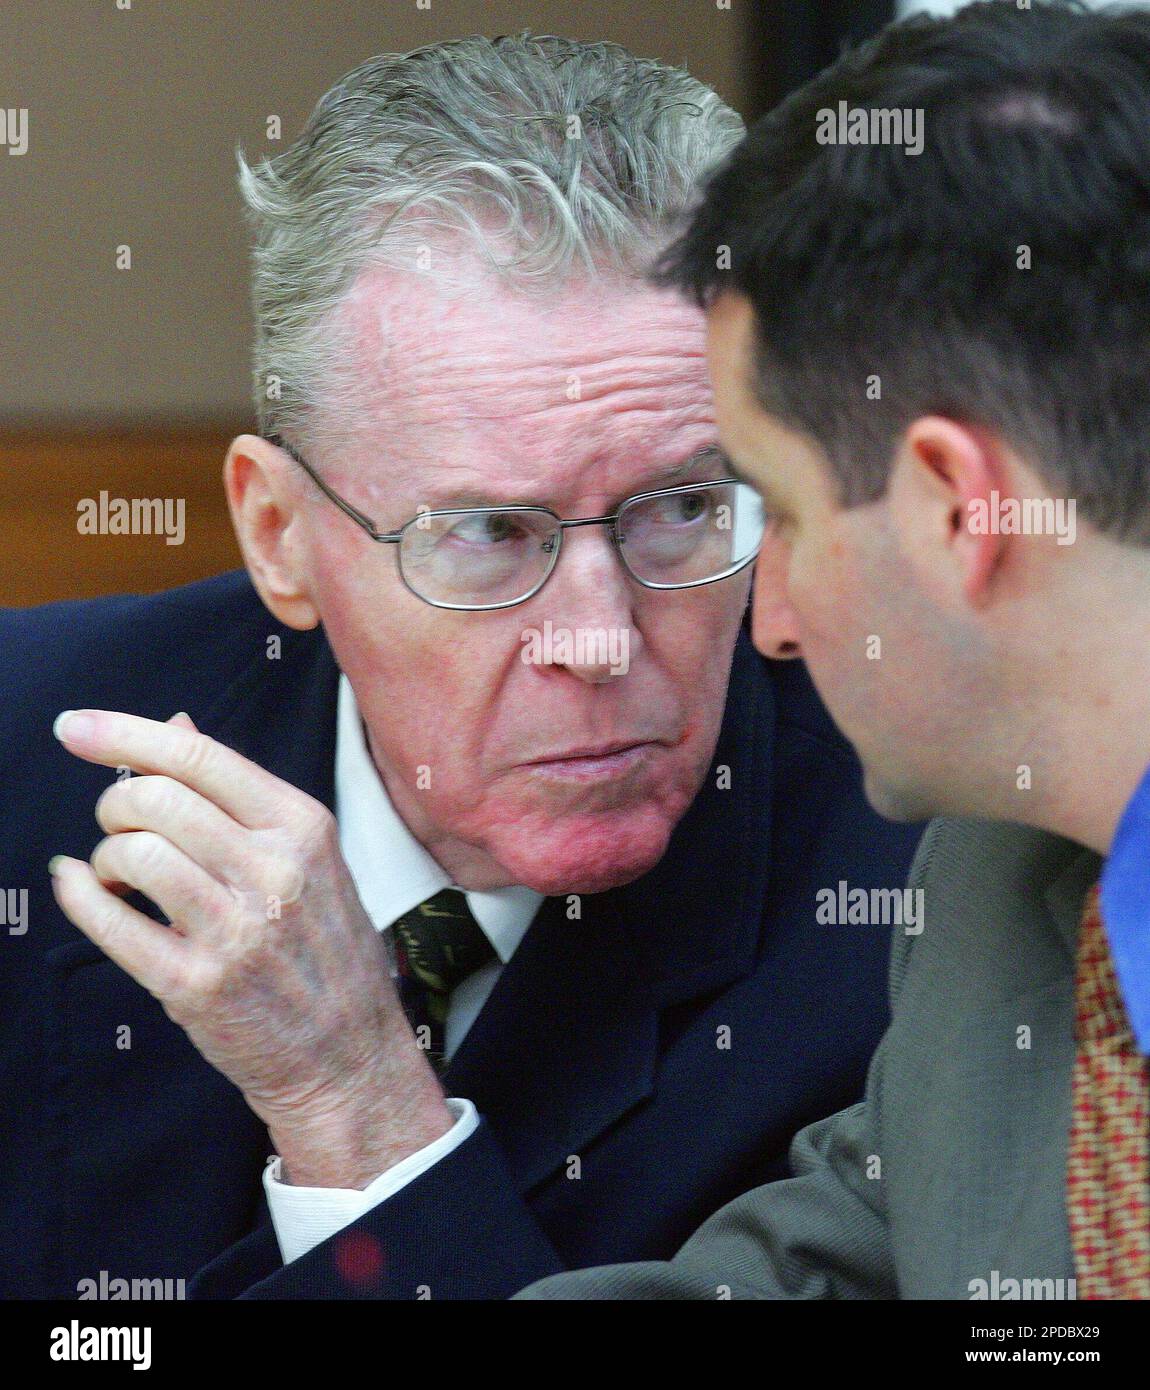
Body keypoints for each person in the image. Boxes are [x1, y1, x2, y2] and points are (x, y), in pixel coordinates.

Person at [0, 34, 921, 1300]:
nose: (599, 637)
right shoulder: (26, 749)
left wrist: (354, 1103)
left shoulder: (915, 899)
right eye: (488, 535)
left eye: (682, 509)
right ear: (278, 534)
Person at [520, 0, 1150, 1301]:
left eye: (779, 510)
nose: (774, 623)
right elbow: (843, 1264)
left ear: (955, 510)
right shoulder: (996, 877)